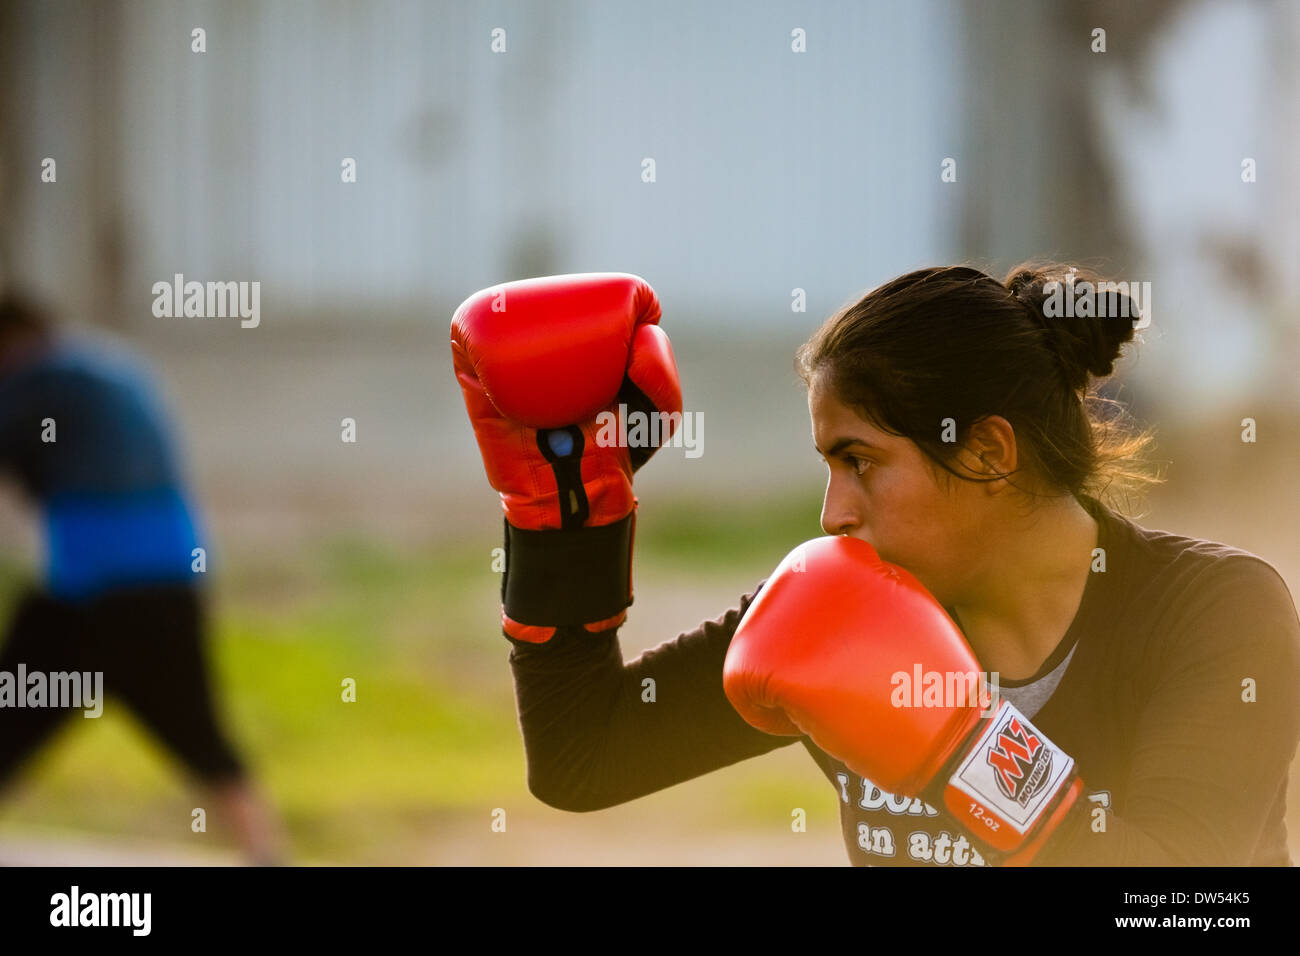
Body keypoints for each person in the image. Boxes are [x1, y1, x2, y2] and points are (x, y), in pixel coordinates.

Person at [451, 267, 1300, 866]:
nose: (834, 513)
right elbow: (583, 758)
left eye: (859, 460)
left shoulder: (1218, 614)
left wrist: (969, 752)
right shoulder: (845, 607)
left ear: (988, 452)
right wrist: (566, 519)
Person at [0, 289, 284, 865]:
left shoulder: (39, 376)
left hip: (88, 586)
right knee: (198, 728)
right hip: (169, 576)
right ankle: (265, 853)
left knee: (10, 715)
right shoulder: (108, 365)